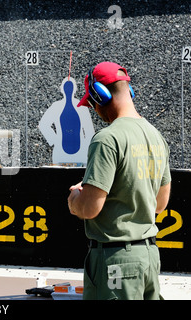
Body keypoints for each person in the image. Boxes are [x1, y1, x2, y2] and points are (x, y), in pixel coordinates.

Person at [67, 62, 171, 300]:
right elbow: (159, 204)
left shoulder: (106, 139)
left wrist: (75, 198)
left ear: (99, 94)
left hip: (115, 261)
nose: (94, 108)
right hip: (149, 257)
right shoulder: (156, 136)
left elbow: (90, 208)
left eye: (92, 102)